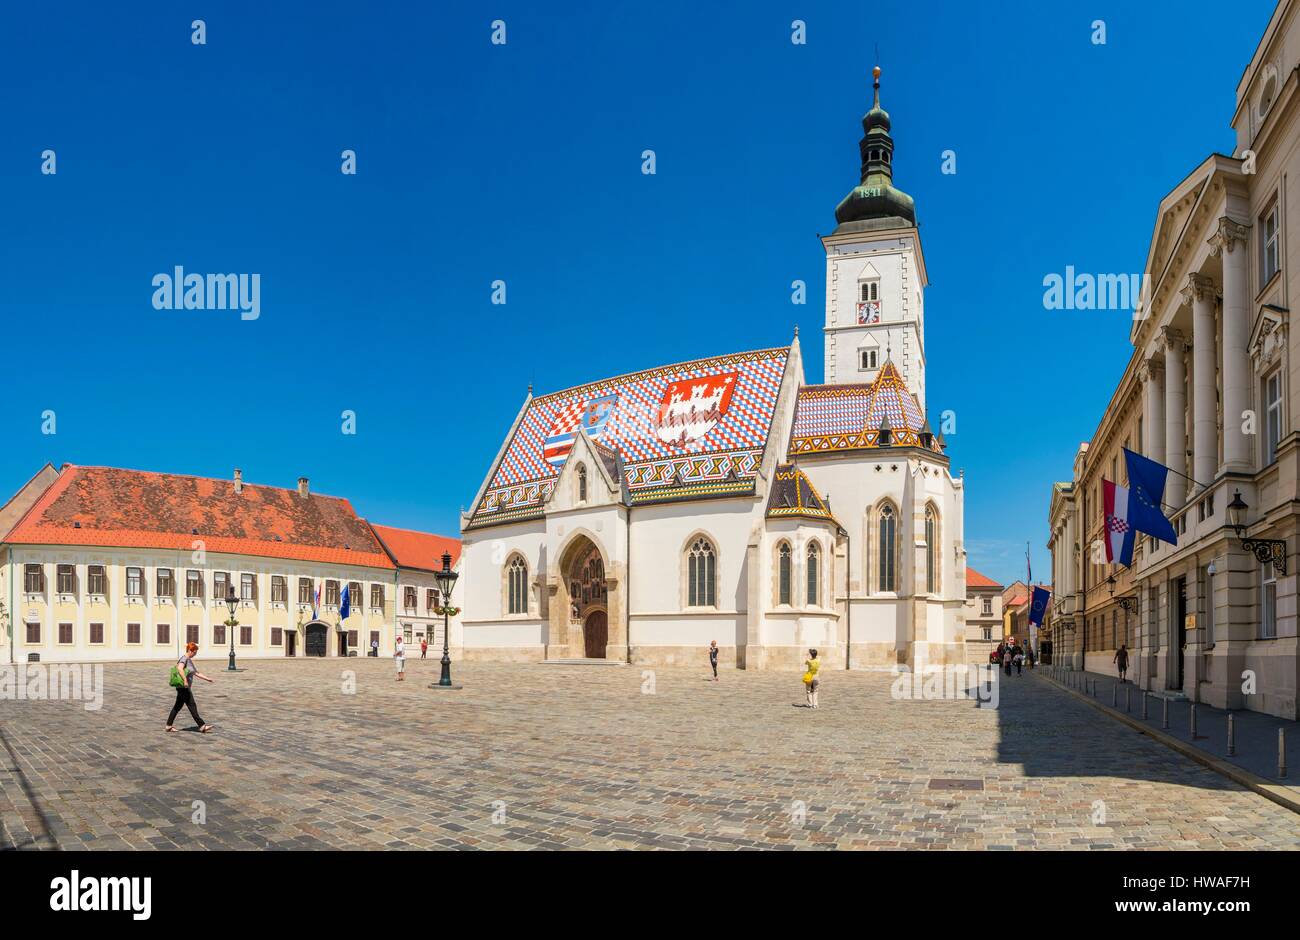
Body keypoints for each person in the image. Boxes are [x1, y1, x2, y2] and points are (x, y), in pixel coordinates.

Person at [167, 642, 213, 733]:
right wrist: (185, 680)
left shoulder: (189, 660)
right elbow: (180, 668)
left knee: (177, 707)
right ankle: (202, 726)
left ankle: (168, 726)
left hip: (183, 688)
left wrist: (207, 679)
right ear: (190, 651)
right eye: (195, 652)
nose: (195, 654)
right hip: (183, 688)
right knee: (192, 706)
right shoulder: (184, 659)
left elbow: (196, 673)